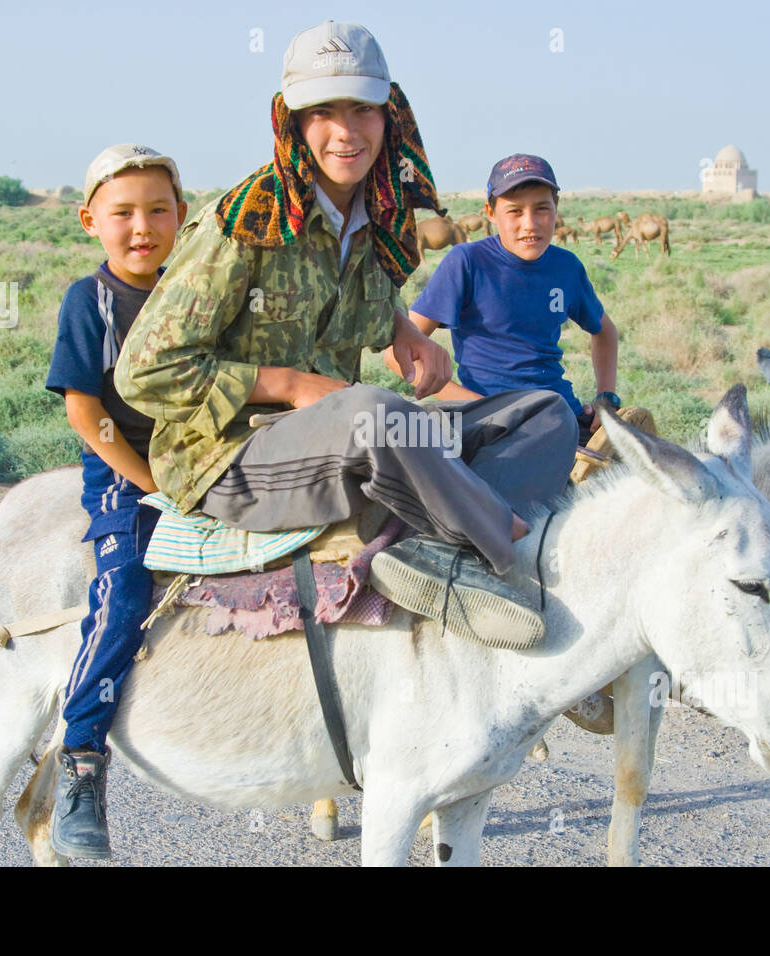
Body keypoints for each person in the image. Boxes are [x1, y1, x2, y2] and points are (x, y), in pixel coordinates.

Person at [115, 21, 576, 656]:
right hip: (233, 459)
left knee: (543, 414)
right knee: (372, 410)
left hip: (348, 442)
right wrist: (288, 385)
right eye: (322, 111)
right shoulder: (244, 222)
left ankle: (431, 551)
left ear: (390, 117)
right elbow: (142, 370)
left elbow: (353, 301)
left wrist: (404, 334)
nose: (345, 131)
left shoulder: (373, 218)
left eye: (363, 108)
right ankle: (504, 550)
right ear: (292, 122)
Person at [44, 144, 188, 859]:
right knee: (125, 591)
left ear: (181, 218)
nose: (142, 226)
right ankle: (79, 765)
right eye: (123, 212)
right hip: (124, 475)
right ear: (90, 220)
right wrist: (153, 486)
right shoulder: (89, 302)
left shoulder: (189, 294)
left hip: (199, 467)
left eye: (157, 209)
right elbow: (84, 412)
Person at [384, 154, 622, 446]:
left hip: (560, 416)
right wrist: (472, 404)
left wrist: (606, 396)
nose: (530, 224)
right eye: (515, 211)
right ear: (490, 212)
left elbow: (605, 332)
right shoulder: (467, 263)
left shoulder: (567, 268)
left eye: (542, 209)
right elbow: (396, 355)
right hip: (487, 425)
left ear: (556, 209)